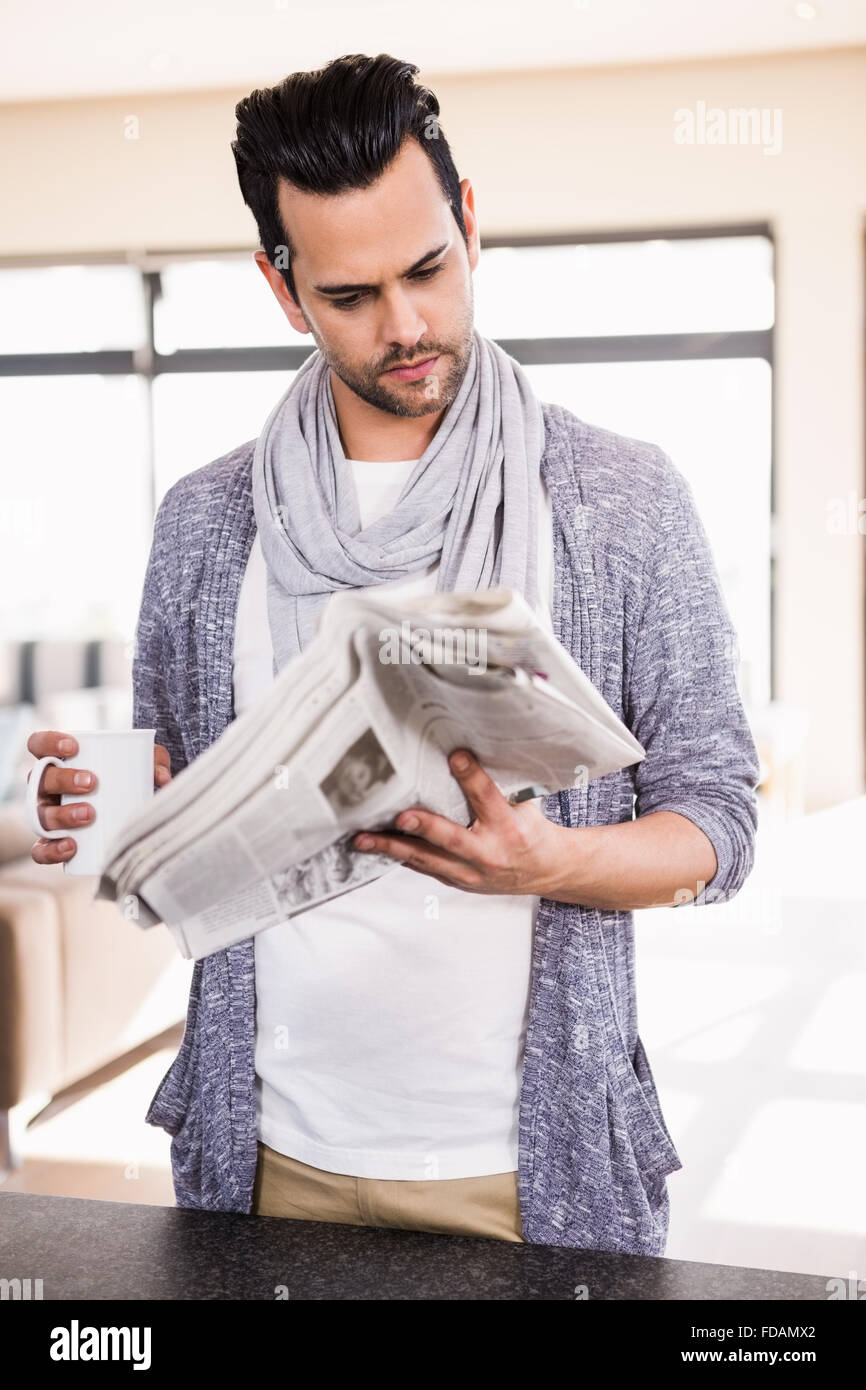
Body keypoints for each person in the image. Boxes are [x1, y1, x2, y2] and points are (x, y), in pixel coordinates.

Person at [26, 52, 759, 1255]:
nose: (406, 325)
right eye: (351, 295)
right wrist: (112, 812)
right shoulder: (207, 524)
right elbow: (175, 805)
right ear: (282, 288)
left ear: (468, 223)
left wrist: (551, 858)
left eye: (427, 269)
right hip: (261, 1153)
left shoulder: (619, 502)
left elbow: (719, 827)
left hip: (535, 1171)